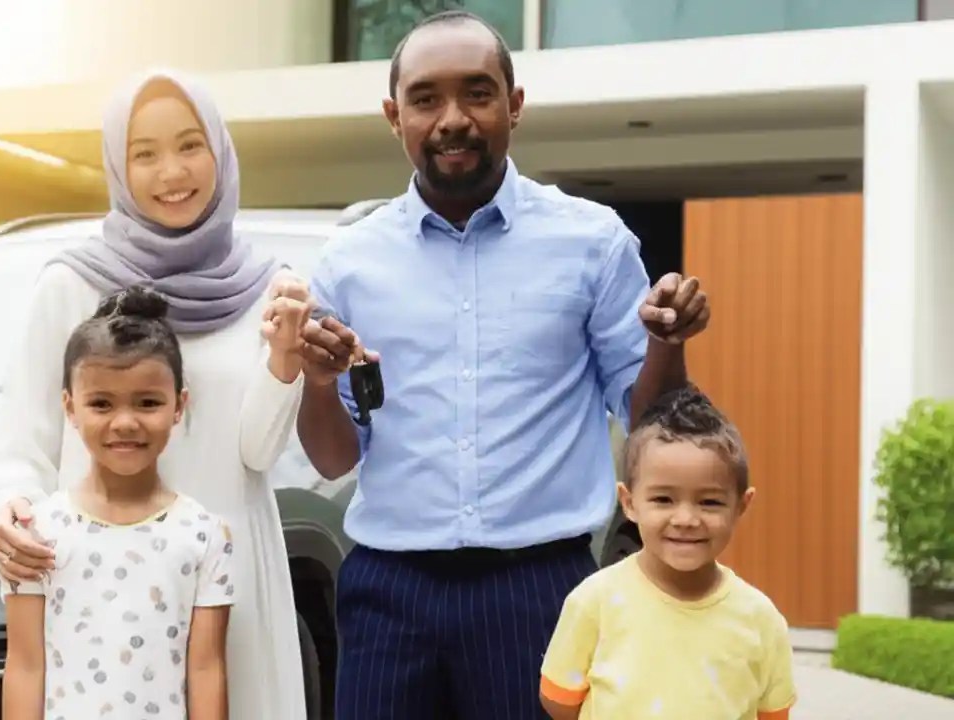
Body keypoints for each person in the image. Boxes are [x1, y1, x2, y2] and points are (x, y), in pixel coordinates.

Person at [295, 10, 713, 720]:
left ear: (513, 107)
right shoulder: (348, 262)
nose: (453, 118)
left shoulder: (592, 242)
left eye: (477, 93)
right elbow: (334, 458)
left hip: (541, 593)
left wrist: (668, 341)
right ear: (394, 117)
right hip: (387, 596)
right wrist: (315, 380)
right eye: (426, 98)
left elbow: (653, 426)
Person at [0, 68, 314, 719]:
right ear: (117, 165)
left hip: (225, 576)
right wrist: (6, 515)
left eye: (190, 146)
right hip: (97, 590)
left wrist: (283, 358)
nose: (172, 172)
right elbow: (21, 444)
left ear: (219, 150)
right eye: (145, 154)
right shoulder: (71, 285)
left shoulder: (271, 288)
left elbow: (256, 453)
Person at [2, 287, 236, 720]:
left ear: (179, 405)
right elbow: (25, 665)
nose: (125, 423)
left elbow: (206, 669)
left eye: (148, 403)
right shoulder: (38, 532)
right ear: (70, 408)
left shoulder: (205, 535)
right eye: (101, 404)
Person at [539, 386, 796, 720]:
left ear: (741, 505)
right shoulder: (594, 602)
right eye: (663, 499)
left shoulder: (761, 620)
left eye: (710, 502)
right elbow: (559, 701)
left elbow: (773, 714)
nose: (686, 520)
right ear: (629, 503)